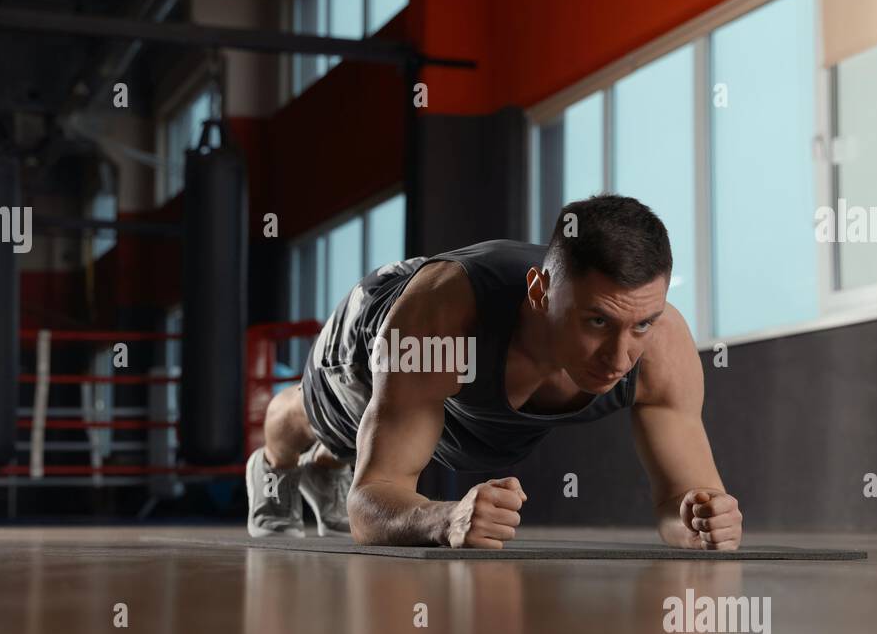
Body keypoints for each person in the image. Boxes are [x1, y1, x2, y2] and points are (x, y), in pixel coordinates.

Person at [247, 193, 743, 550]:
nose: (619, 358)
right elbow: (369, 500)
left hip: (460, 397)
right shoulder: (443, 320)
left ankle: (325, 468)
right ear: (540, 292)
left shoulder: (663, 349)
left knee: (375, 437)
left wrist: (700, 523)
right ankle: (275, 466)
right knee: (324, 419)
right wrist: (444, 519)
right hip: (378, 335)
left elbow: (678, 501)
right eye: (597, 322)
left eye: (642, 324)